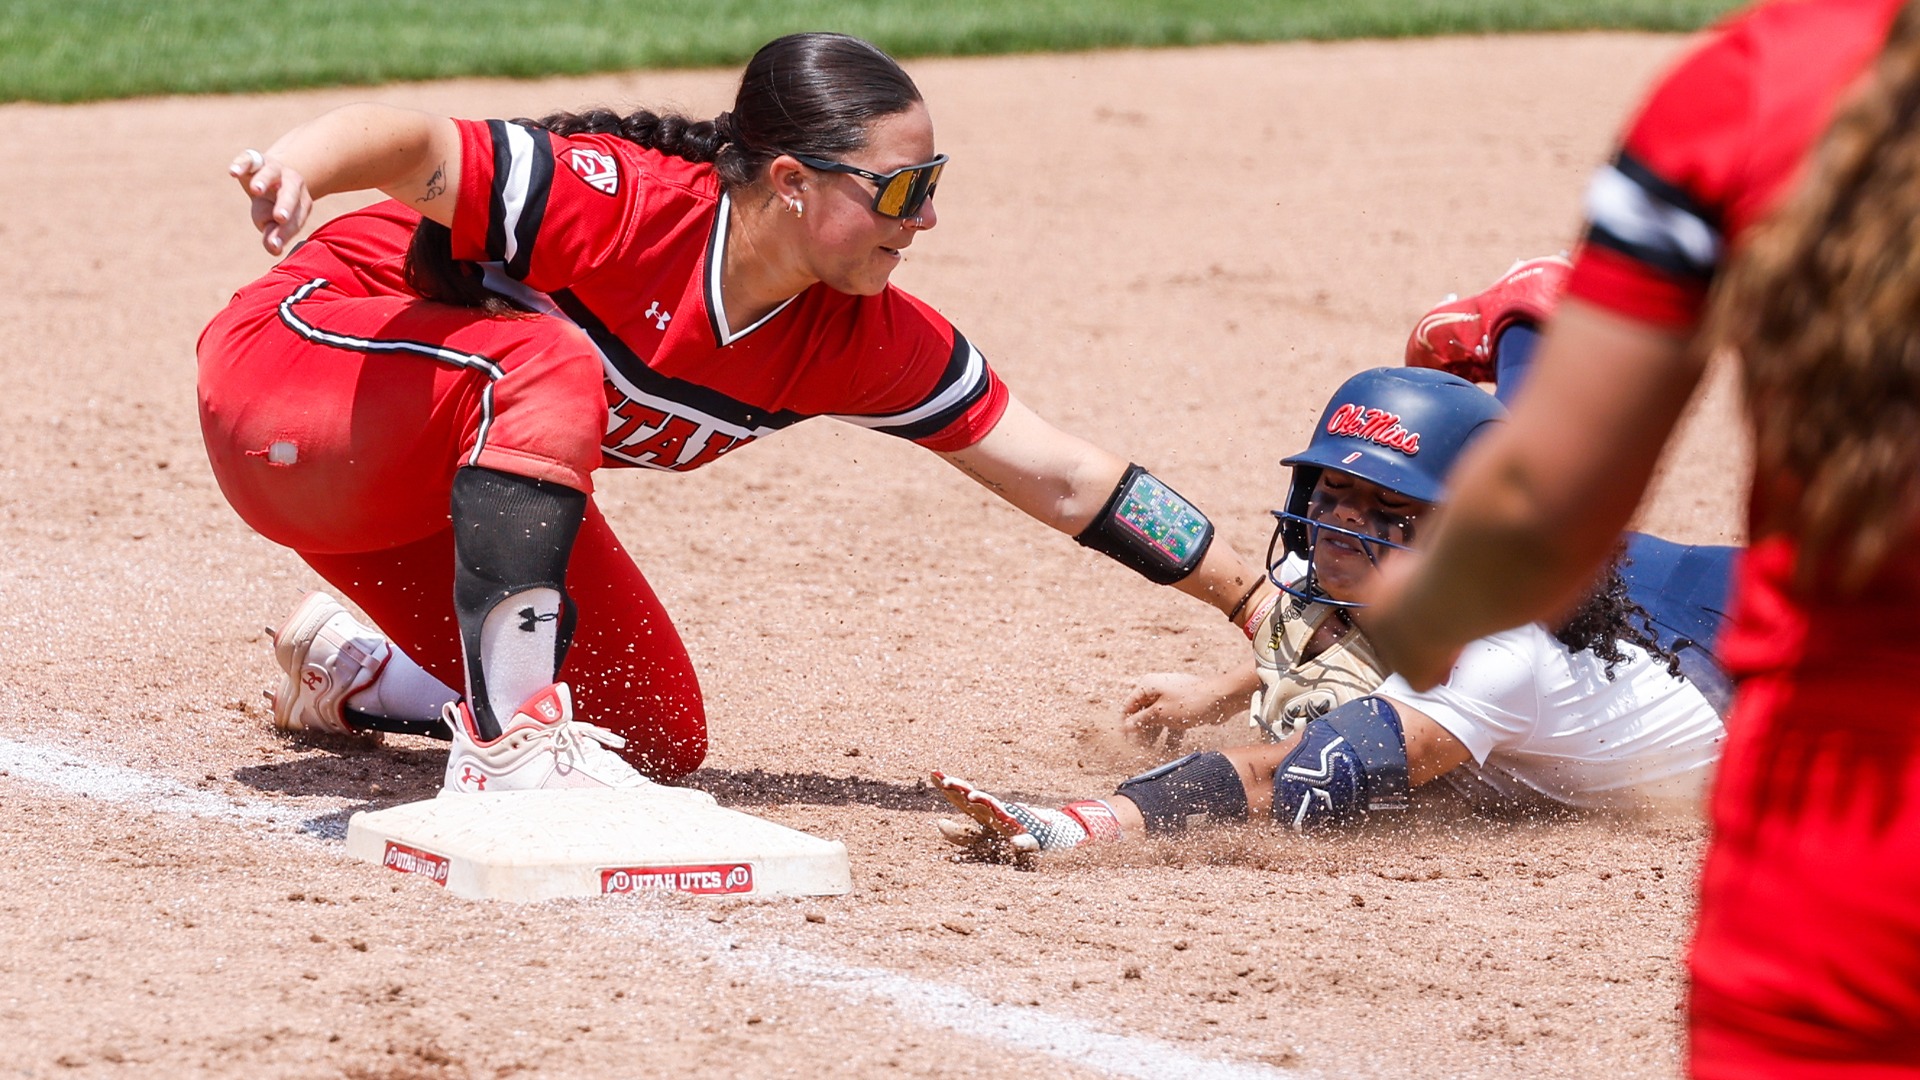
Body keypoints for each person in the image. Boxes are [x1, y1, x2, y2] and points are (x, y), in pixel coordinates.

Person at [198, 32, 1266, 795]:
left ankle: (359, 674)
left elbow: (1066, 477)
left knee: (651, 730)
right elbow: (408, 141)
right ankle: (512, 754)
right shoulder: (625, 202)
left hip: (406, 506)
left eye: (933, 182)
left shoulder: (861, 336)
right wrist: (297, 168)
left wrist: (1253, 602)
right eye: (902, 188)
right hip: (292, 393)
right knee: (550, 360)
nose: (929, 215)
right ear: (793, 181)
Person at [1358, 0, 1920, 1072]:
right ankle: (1528, 323)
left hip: (1842, 848)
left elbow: (1547, 519)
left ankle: (1529, 323)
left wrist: (1421, 616)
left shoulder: (1759, 82)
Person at [932, 366, 1728, 856]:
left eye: (1389, 504)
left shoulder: (1498, 656)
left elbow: (1292, 774)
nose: (1345, 519)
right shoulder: (1372, 563)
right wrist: (1220, 692)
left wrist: (1079, 824)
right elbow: (1338, 626)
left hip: (1721, 643)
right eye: (1334, 489)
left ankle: (1520, 317)